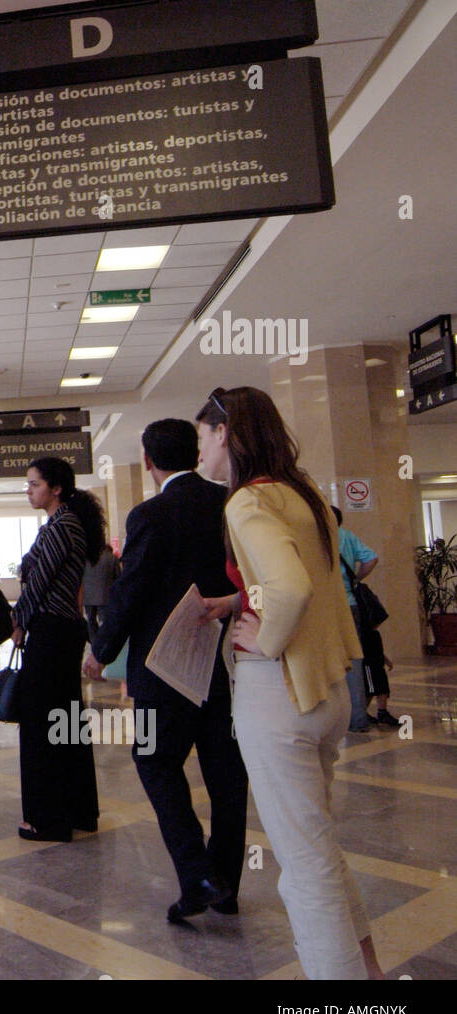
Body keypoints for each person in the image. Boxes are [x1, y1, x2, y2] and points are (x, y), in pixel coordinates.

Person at [195, 386, 383, 980]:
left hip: (278, 696)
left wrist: (264, 637)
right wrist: (237, 602)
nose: (200, 449)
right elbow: (306, 583)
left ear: (224, 432)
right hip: (326, 690)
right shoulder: (303, 495)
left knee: (304, 866)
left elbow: (294, 590)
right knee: (318, 848)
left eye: (203, 435)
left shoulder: (245, 504)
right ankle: (369, 973)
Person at [82, 420, 248, 923]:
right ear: (197, 454)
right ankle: (226, 882)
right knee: (225, 772)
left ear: (148, 461)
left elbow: (132, 590)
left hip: (163, 668)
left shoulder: (150, 514)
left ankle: (197, 873)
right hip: (223, 659)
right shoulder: (229, 505)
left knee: (155, 761)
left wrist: (101, 649)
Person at [11, 457, 104, 843]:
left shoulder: (60, 526)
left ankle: (47, 818)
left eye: (34, 484)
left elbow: (37, 583)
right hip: (65, 631)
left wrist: (18, 620)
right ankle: (79, 810)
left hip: (50, 631)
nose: (29, 491)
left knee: (41, 724)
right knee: (66, 722)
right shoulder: (67, 525)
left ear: (56, 489)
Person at [331, 505, 379, 733]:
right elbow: (371, 558)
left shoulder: (318, 536)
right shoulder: (348, 536)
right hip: (350, 603)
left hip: (328, 605)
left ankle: (335, 716)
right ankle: (358, 718)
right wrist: (355, 579)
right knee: (355, 659)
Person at [82, 543, 118, 647]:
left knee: (91, 620)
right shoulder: (112, 558)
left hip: (88, 597)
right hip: (105, 596)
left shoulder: (86, 559)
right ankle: (104, 642)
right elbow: (118, 578)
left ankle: (94, 643)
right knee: (104, 620)